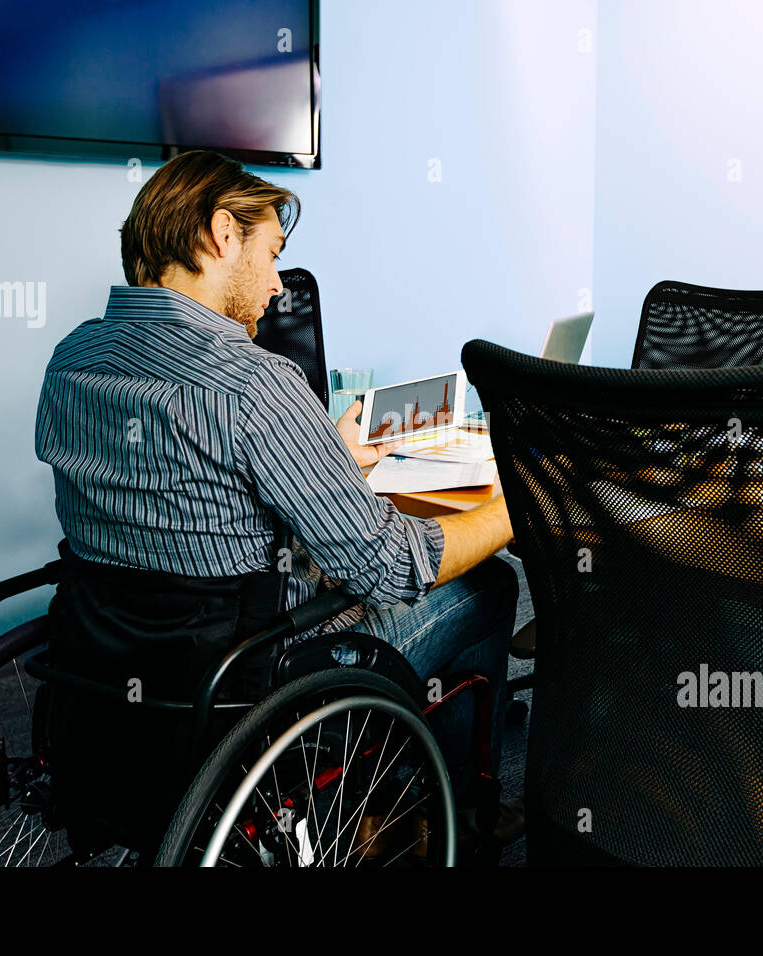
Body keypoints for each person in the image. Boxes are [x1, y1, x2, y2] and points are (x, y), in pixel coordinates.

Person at [34, 149, 517, 834]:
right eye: (271, 252)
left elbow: (183, 501)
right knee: (490, 585)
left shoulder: (75, 357)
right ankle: (448, 814)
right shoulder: (255, 381)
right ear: (223, 234)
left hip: (111, 662)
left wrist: (327, 456)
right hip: (254, 681)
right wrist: (515, 505)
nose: (276, 282)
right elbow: (391, 567)